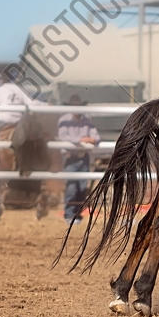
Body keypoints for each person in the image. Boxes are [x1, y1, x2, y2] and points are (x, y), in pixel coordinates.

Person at [57, 95, 100, 223]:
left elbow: (96, 137)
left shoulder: (87, 120)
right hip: (71, 157)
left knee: (82, 187)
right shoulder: (64, 120)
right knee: (72, 187)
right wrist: (82, 140)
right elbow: (63, 137)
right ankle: (69, 215)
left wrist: (90, 140)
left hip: (83, 157)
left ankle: (76, 215)